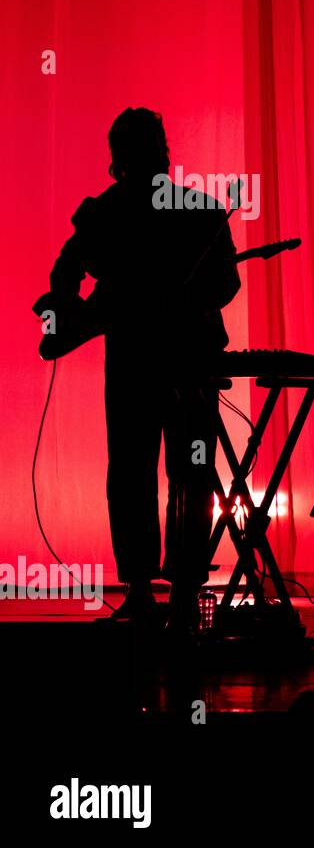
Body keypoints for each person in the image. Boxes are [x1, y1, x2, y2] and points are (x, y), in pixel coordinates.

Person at [47, 108, 241, 628]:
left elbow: (65, 271)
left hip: (154, 361)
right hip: (181, 360)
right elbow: (226, 283)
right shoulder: (196, 210)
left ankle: (152, 593)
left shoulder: (109, 212)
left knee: (145, 473)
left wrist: (76, 307)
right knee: (180, 472)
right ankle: (170, 592)